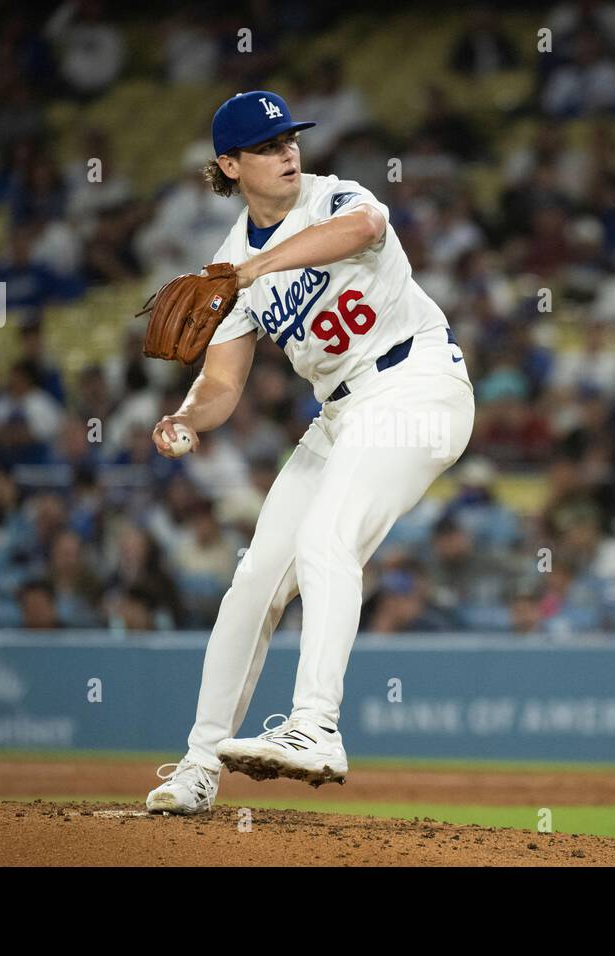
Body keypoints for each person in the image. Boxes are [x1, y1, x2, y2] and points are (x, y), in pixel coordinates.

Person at [145, 91, 475, 814]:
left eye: (290, 138)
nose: (287, 151)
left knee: (330, 537)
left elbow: (364, 228)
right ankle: (199, 767)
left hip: (417, 384)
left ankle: (316, 728)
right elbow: (223, 381)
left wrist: (254, 273)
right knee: (256, 579)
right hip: (341, 416)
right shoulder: (228, 267)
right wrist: (187, 417)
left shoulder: (333, 199)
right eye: (266, 147)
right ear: (229, 165)